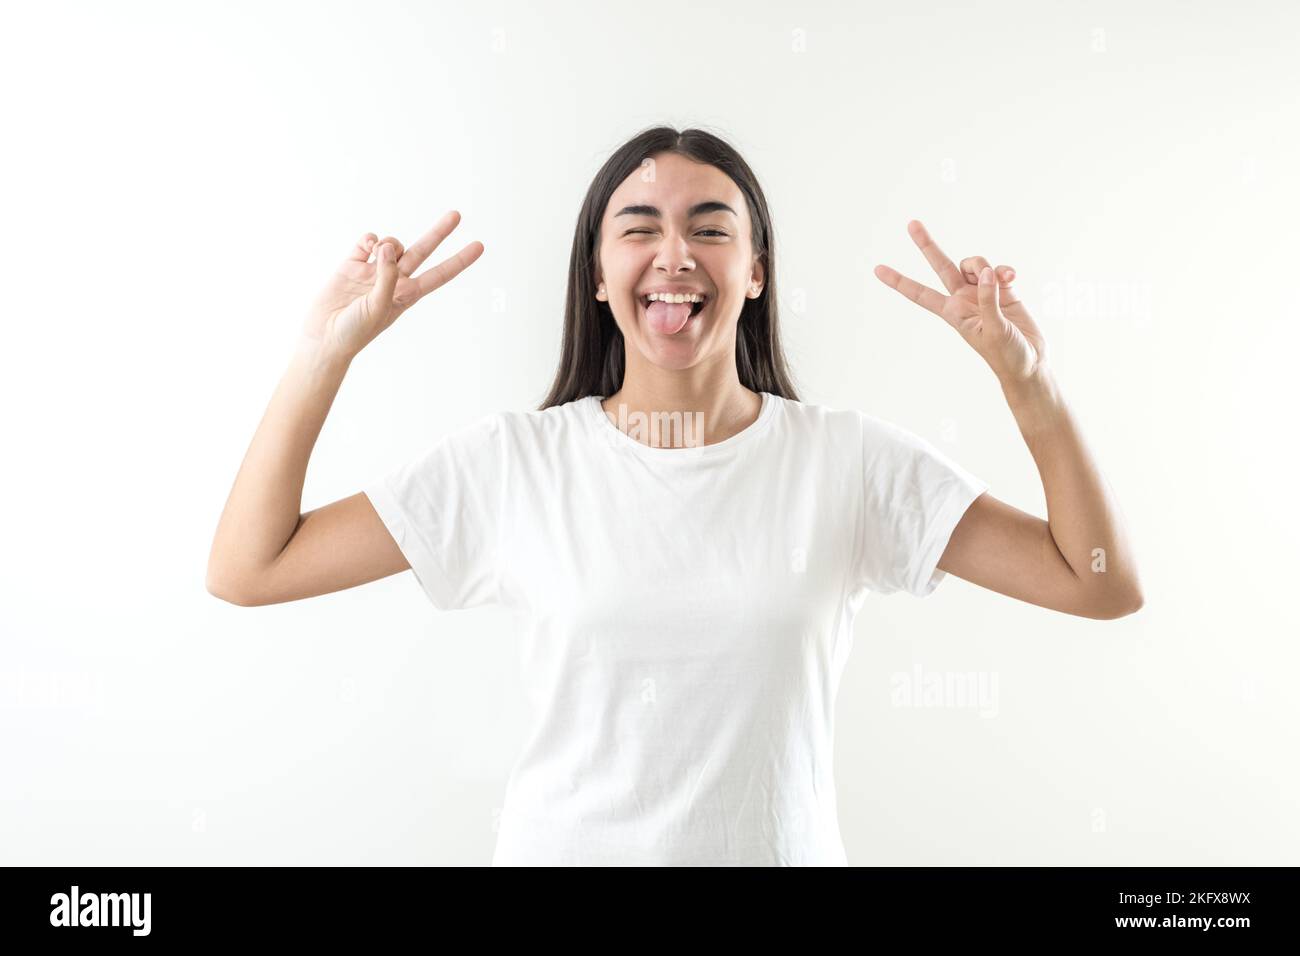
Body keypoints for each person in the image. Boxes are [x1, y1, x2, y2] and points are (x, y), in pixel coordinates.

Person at [206, 126, 1144, 866]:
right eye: (640, 227)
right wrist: (322, 355)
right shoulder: (514, 464)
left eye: (710, 226)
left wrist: (1030, 385)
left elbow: (1095, 582)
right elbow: (250, 567)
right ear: (600, 276)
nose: (675, 254)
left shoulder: (847, 461)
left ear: (757, 271)